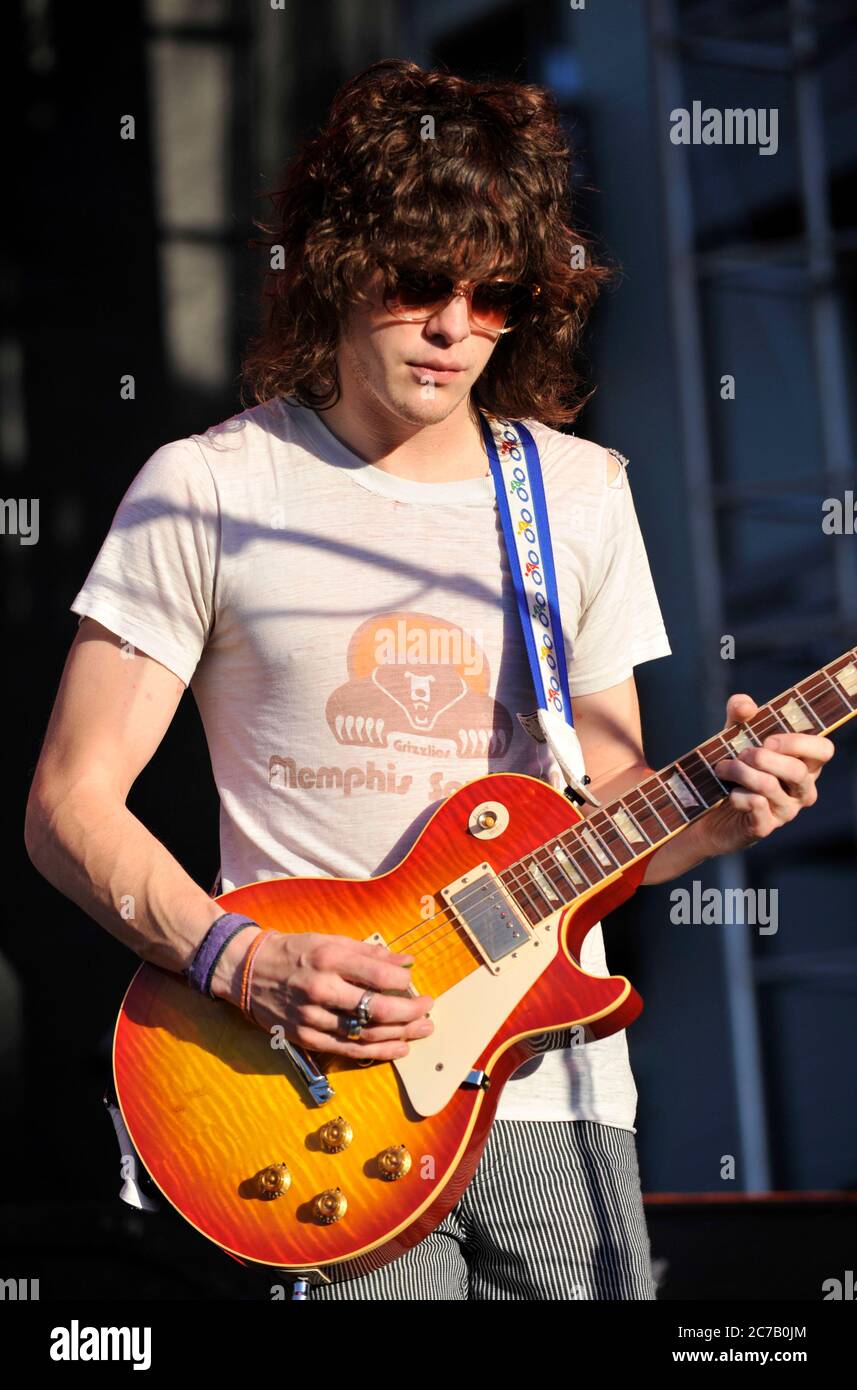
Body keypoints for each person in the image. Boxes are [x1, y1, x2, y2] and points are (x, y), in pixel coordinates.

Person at [25, 59, 833, 1302]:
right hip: (306, 1083)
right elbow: (70, 803)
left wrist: (721, 810)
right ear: (340, 266)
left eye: (496, 294)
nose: (455, 328)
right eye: (417, 285)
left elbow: (600, 817)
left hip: (552, 1101)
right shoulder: (209, 487)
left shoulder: (577, 492)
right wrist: (240, 959)